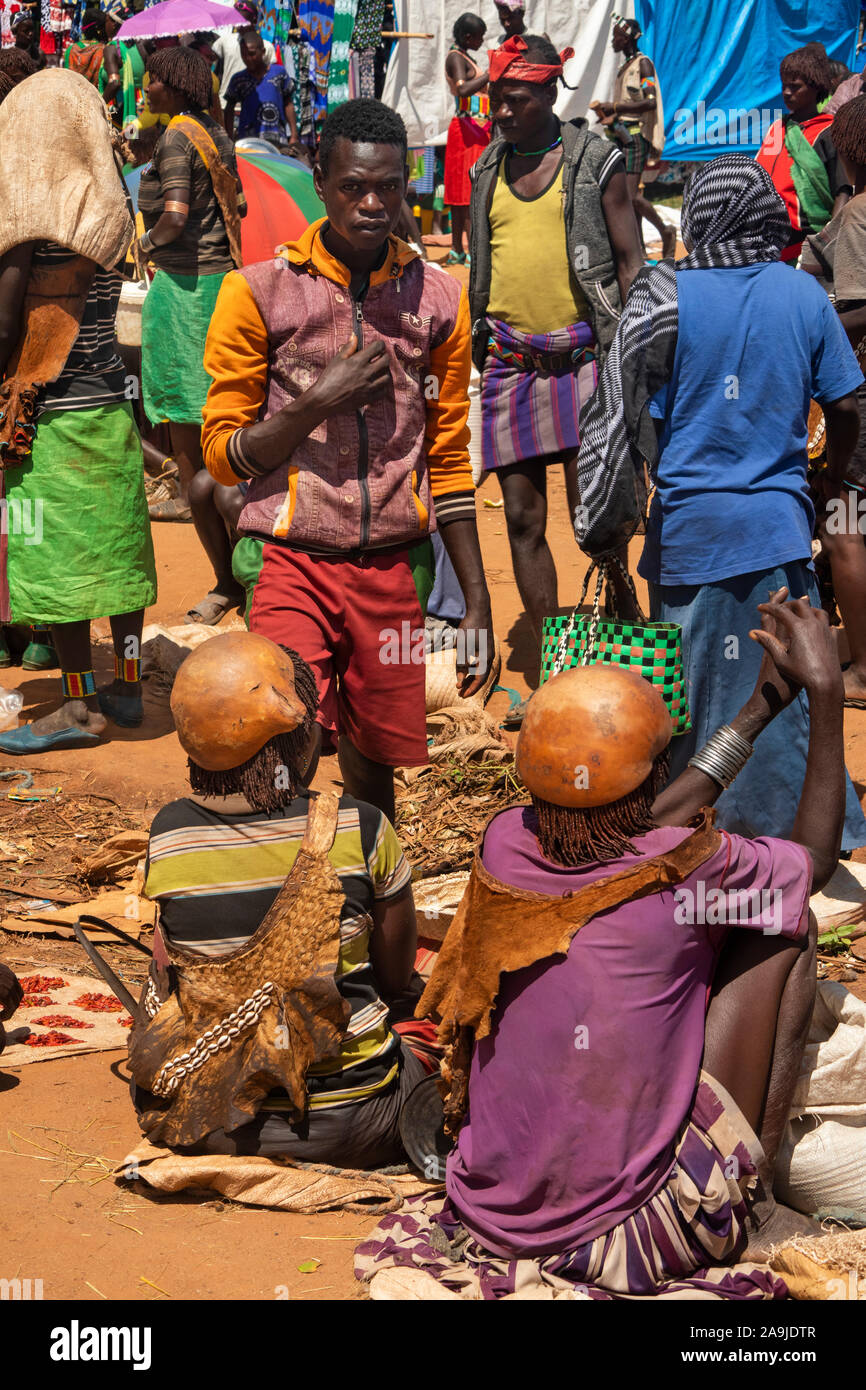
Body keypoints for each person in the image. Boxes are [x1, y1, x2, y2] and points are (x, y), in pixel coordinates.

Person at [356, 597, 843, 1300]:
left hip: (494, 1214)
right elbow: (814, 860)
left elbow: (635, 823)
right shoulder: (695, 867)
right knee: (787, 922)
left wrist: (759, 709)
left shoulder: (504, 843)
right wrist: (824, 698)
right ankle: (753, 1200)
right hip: (628, 1231)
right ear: (651, 777)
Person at [201, 98, 494, 822]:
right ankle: (275, 896)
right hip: (290, 559)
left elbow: (450, 459)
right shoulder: (259, 294)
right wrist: (311, 405)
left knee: (375, 762)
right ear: (322, 183)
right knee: (278, 745)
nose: (371, 205)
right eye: (353, 187)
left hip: (396, 570)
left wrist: (480, 603)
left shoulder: (437, 301)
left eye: (388, 188)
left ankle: (369, 902)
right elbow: (222, 458)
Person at [575, 154, 866, 849]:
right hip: (778, 531)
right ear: (766, 216)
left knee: (700, 694)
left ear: (699, 215)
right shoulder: (800, 296)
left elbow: (613, 415)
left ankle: (717, 841)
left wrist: (605, 530)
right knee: (782, 691)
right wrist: (822, 474)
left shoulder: (662, 293)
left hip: (690, 535)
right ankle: (797, 843)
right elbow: (847, 401)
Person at [132, 631, 430, 1163]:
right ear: (298, 739)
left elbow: (170, 967)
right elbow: (394, 977)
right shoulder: (360, 827)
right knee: (443, 1038)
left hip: (209, 1122)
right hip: (354, 1123)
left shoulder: (168, 833)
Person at [469, 33, 644, 712]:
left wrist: (635, 353)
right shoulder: (488, 169)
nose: (503, 113)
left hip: (584, 362)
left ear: (549, 93)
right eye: (496, 101)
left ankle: (622, 618)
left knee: (595, 516)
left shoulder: (597, 160)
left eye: (515, 99)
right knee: (521, 516)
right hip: (512, 364)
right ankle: (553, 662)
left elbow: (629, 263)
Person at [0, 68, 156, 752]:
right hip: (108, 406)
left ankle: (77, 703)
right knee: (118, 555)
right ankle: (125, 687)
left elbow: (7, 330)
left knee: (56, 563)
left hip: (50, 418)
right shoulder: (106, 212)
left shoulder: (28, 227)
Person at [137, 45, 247, 622]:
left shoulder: (178, 136)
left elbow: (175, 215)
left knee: (192, 451)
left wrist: (142, 245)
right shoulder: (216, 132)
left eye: (153, 79)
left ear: (176, 85)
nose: (145, 87)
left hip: (185, 299)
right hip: (222, 291)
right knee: (230, 441)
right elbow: (240, 205)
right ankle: (247, 579)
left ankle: (228, 581)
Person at [816, 95, 866, 708]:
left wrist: (814, 326)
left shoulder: (857, 216)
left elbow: (859, 308)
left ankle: (860, 668)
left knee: (846, 528)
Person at [591, 14, 675, 258]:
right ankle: (639, 250)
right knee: (627, 196)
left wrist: (615, 108)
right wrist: (610, 115)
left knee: (630, 196)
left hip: (635, 138)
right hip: (621, 134)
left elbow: (649, 103)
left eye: (616, 34)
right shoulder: (625, 67)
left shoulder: (643, 65)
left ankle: (665, 229)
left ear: (626, 36)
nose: (613, 40)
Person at [756, 43, 849, 263]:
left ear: (816, 87)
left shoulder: (828, 132)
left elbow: (842, 191)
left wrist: (827, 245)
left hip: (804, 244)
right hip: (766, 237)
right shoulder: (777, 128)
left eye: (795, 86)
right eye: (784, 86)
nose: (787, 92)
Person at [444, 12, 490, 266]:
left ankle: (458, 251)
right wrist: (491, 74)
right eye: (479, 37)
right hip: (465, 130)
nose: (482, 42)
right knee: (466, 192)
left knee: (465, 192)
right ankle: (467, 251)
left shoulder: (464, 57)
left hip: (474, 129)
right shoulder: (455, 58)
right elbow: (462, 89)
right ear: (468, 36)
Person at [224, 30, 298, 150]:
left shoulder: (279, 74)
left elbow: (288, 104)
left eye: (252, 54)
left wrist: (294, 135)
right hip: (248, 144)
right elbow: (229, 109)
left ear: (263, 52)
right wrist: (229, 138)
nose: (247, 58)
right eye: (243, 54)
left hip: (277, 142)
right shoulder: (238, 80)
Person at [212, 0, 276, 108]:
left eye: (242, 22)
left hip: (256, 104)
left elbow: (271, 76)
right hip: (226, 105)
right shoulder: (224, 42)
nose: (239, 26)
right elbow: (213, 67)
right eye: (236, 22)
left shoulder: (266, 47)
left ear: (254, 20)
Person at [63, 6, 120, 106]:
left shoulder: (70, 50)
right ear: (99, 29)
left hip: (72, 104)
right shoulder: (105, 50)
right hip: (97, 105)